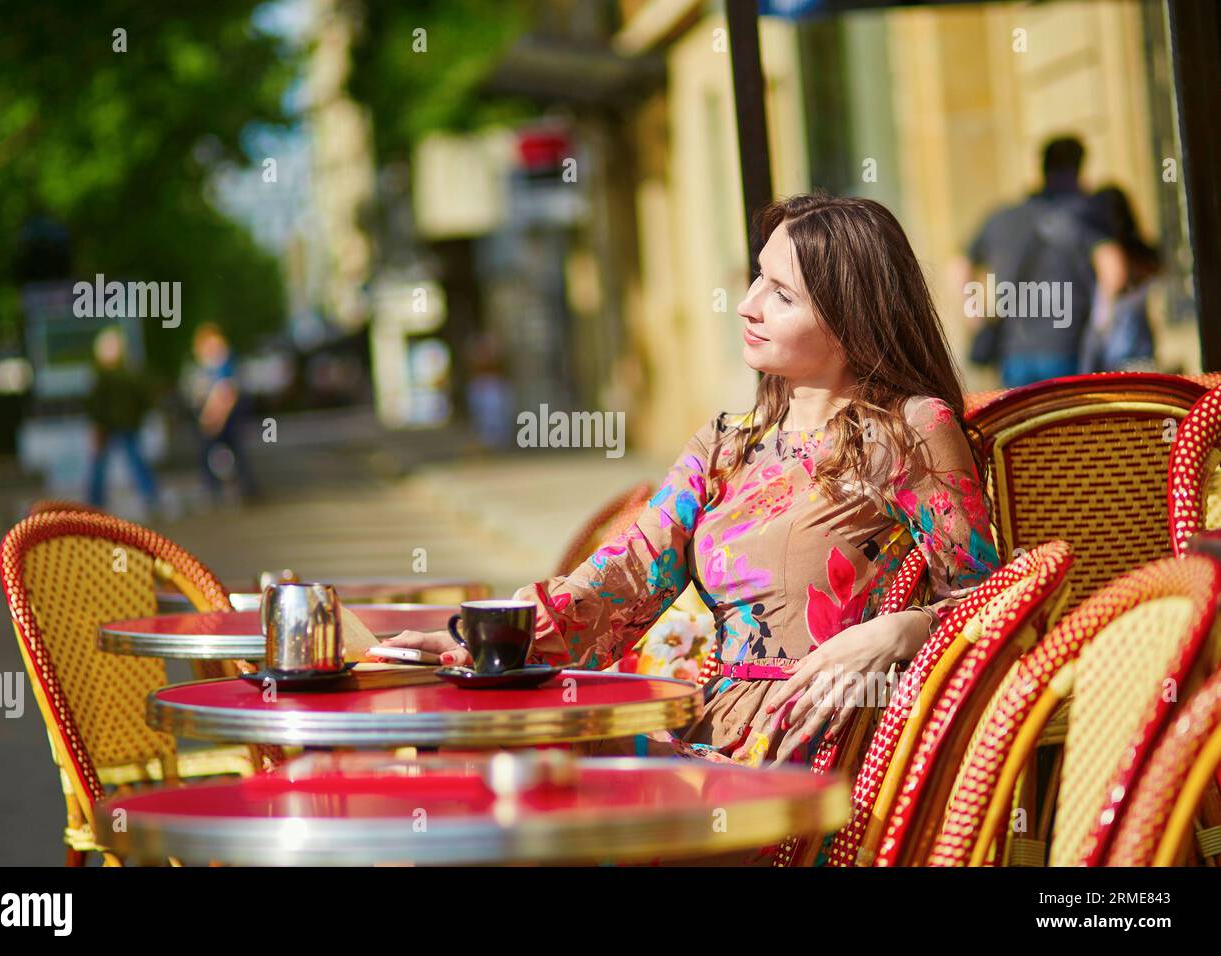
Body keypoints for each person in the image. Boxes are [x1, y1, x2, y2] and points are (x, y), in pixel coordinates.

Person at [384, 194, 1001, 773]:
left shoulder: (910, 430)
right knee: (483, 731)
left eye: (781, 295)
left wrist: (904, 628)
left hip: (807, 749)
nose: (748, 304)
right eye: (757, 277)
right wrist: (482, 639)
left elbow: (989, 599)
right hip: (710, 733)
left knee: (522, 760)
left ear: (849, 319)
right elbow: (627, 575)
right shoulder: (726, 445)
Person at [953, 136, 1126, 388]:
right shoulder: (1083, 215)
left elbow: (958, 267)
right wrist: (1102, 323)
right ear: (1076, 170)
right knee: (1066, 424)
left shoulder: (1003, 217)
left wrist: (975, 316)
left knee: (1022, 424)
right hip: (1066, 345)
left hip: (1012, 350)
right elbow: (1113, 270)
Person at [1079, 185, 1160, 373]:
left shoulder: (1107, 250)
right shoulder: (1142, 252)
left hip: (1117, 345)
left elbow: (1110, 291)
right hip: (1140, 343)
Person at [85, 326, 159, 512]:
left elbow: (97, 405)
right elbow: (144, 398)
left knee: (100, 465)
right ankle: (150, 495)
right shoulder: (129, 372)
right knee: (136, 461)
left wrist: (97, 426)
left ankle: (94, 501)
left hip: (108, 426)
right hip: (128, 425)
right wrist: (137, 418)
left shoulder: (103, 375)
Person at [186, 323, 258, 502]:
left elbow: (224, 392)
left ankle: (216, 488)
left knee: (211, 450)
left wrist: (212, 418)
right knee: (232, 451)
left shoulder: (220, 363)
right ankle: (243, 487)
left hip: (225, 415)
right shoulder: (221, 361)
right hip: (225, 414)